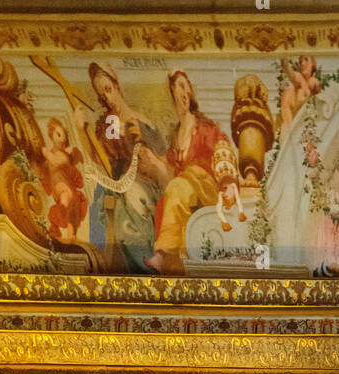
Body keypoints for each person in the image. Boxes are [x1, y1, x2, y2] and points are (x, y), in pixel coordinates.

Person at [74, 62, 168, 270]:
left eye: (108, 89)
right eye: (102, 95)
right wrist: (82, 130)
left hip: (146, 181)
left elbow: (161, 158)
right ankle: (120, 267)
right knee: (107, 200)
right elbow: (100, 158)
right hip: (120, 183)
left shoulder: (140, 120)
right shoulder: (110, 124)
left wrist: (151, 160)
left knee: (134, 200)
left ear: (117, 86)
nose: (107, 98)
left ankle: (145, 265)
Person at [143, 70, 228, 274]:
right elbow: (170, 163)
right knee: (169, 196)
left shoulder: (205, 127)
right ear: (172, 97)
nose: (181, 92)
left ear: (190, 91)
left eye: (184, 86)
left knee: (178, 186)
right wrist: (153, 160)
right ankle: (178, 260)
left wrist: (228, 182)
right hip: (186, 189)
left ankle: (162, 254)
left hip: (206, 186)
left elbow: (223, 151)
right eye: (176, 89)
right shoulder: (176, 134)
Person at [41, 119, 88, 243]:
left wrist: (44, 152)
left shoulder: (63, 155)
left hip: (65, 186)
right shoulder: (50, 155)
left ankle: (71, 238)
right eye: (58, 134)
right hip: (58, 186)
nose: (61, 139)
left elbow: (54, 161)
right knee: (65, 205)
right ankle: (56, 227)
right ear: (51, 135)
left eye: (64, 136)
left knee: (68, 206)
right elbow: (43, 171)